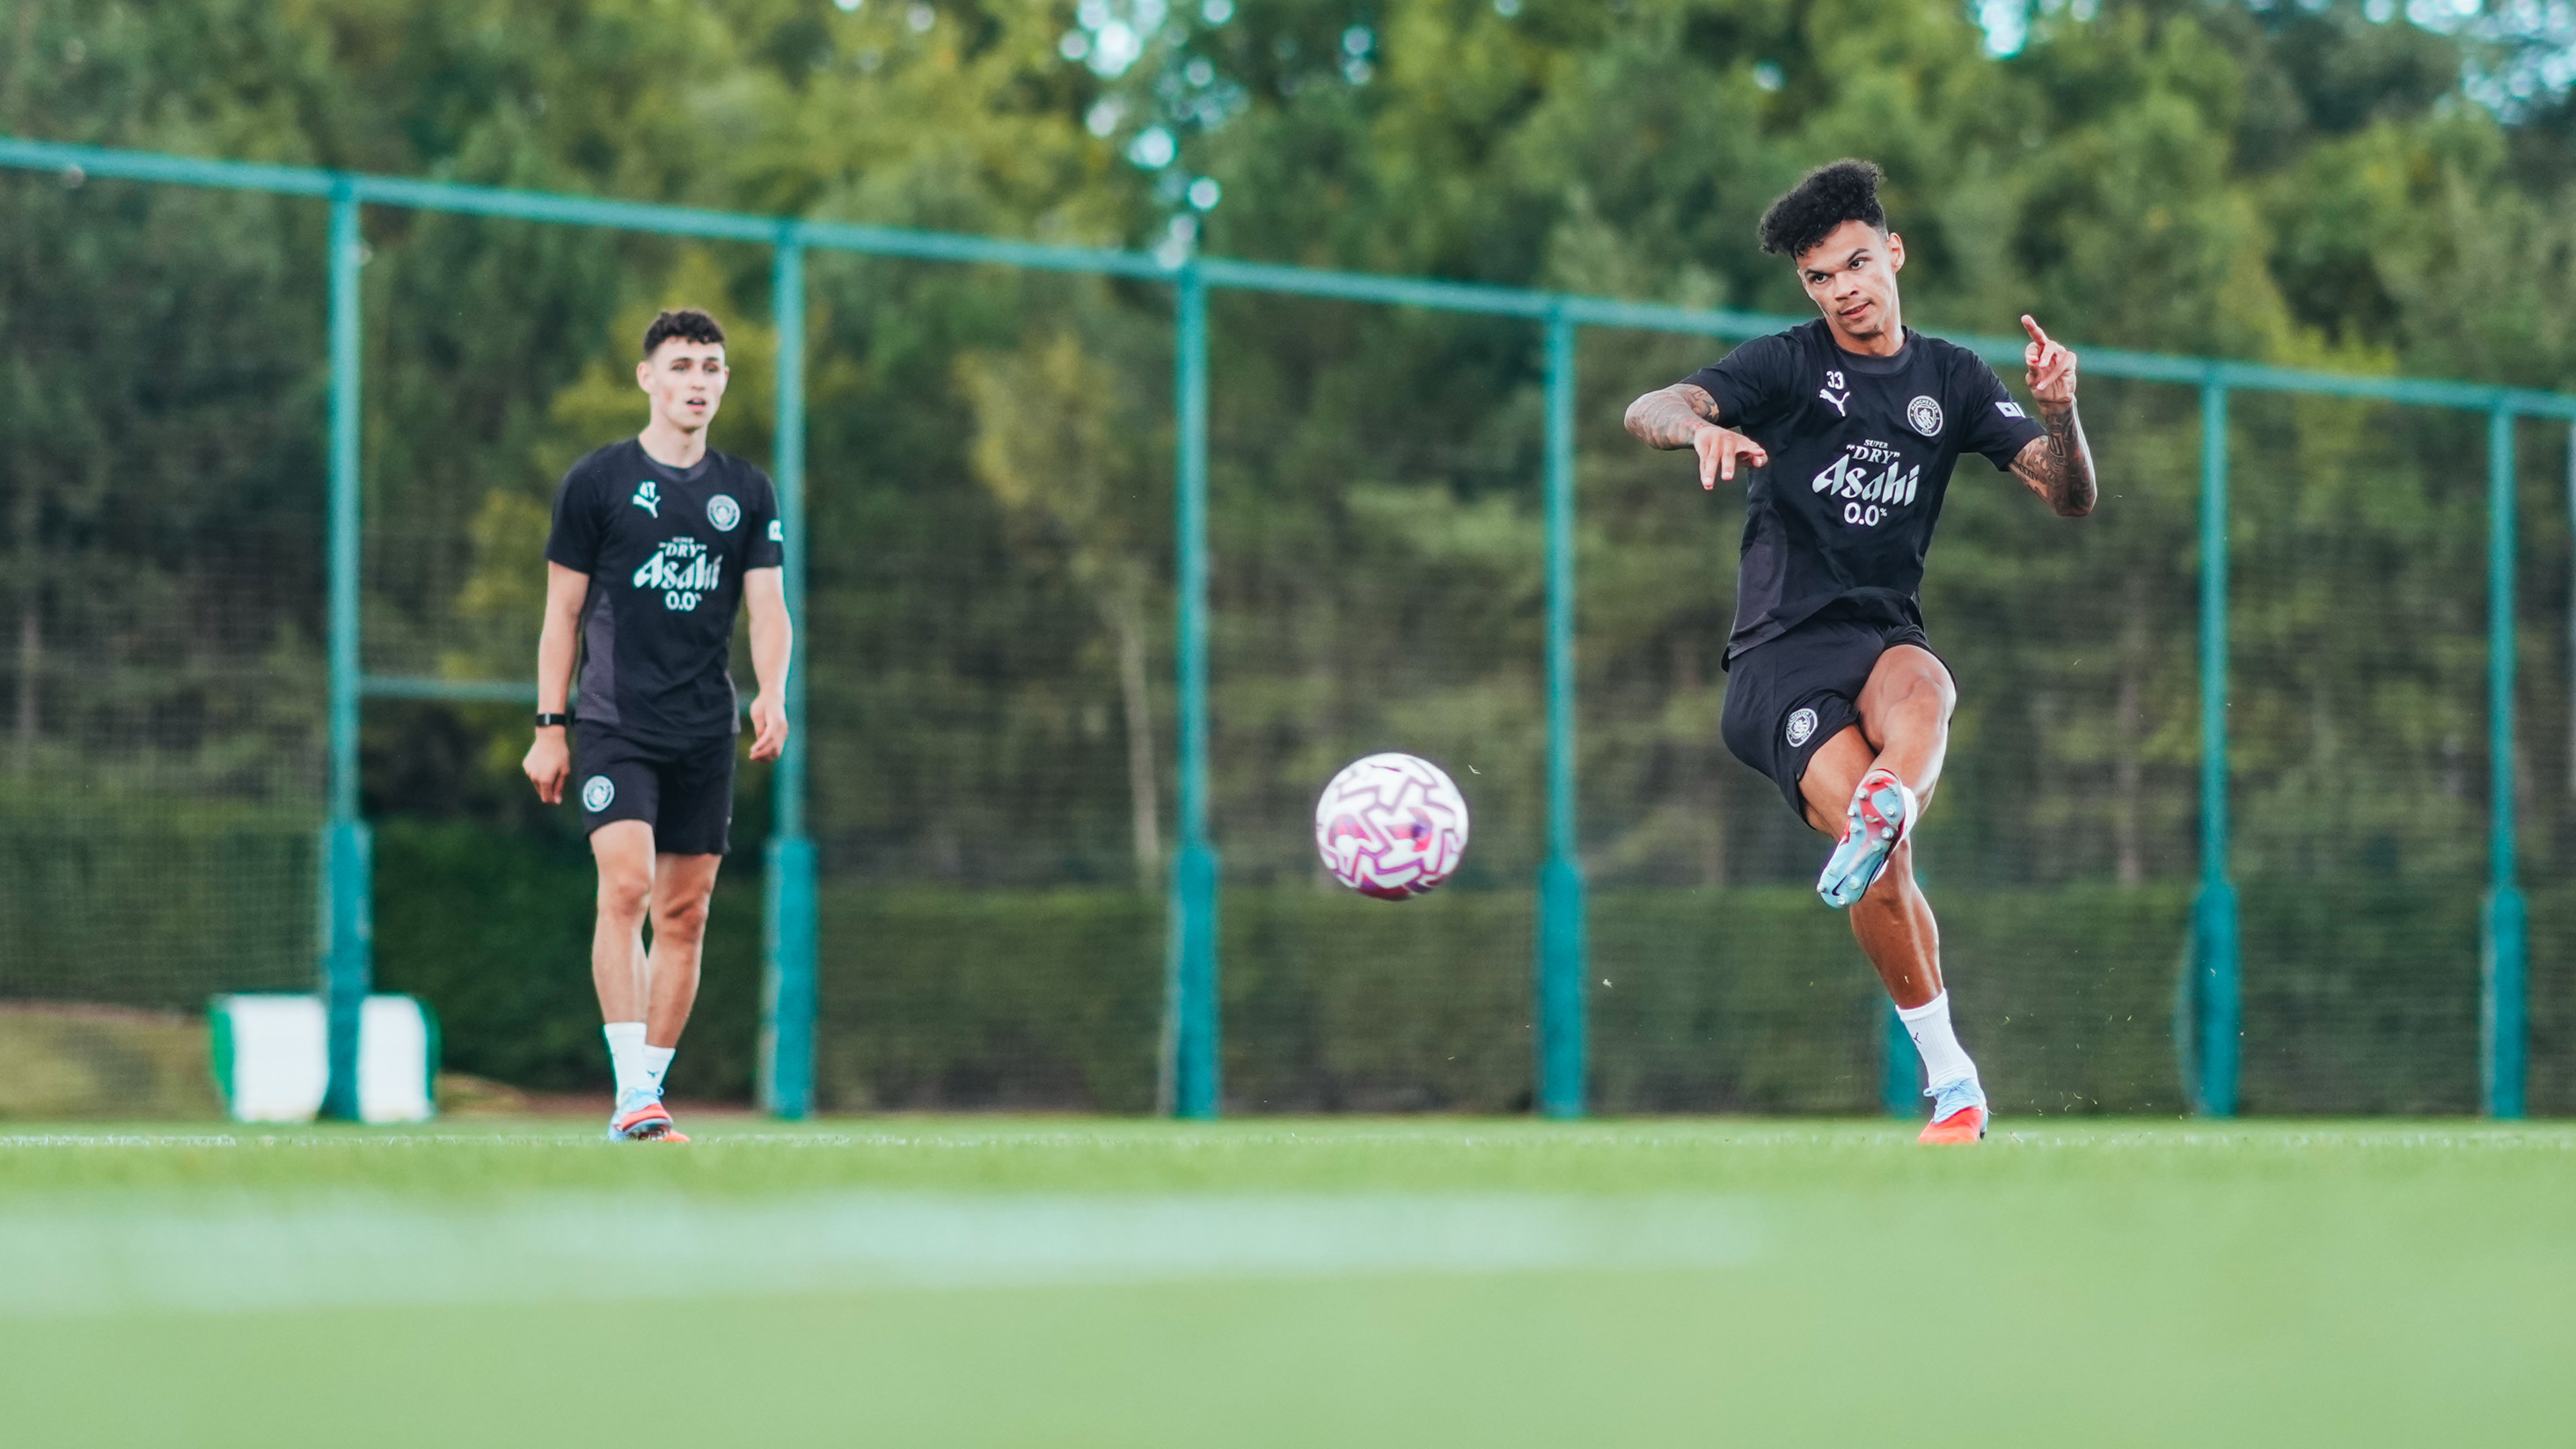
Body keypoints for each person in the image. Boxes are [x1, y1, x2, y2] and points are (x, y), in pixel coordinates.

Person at [1622, 160, 2095, 1144]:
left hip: (1879, 637)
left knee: (1925, 683)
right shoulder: (1791, 366)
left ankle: (1890, 808)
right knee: (1882, 870)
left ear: (1894, 253)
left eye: (1856, 264)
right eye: (1821, 278)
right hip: (1777, 664)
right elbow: (1654, 404)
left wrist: (2061, 410)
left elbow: (2068, 494)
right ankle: (1952, 1076)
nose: (1843, 289)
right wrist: (1692, 434)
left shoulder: (1954, 377)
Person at [522, 308, 793, 1142]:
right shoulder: (596, 483)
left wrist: (773, 691)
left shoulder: (746, 491)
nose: (698, 381)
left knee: (686, 912)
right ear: (648, 378)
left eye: (712, 366)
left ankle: (641, 1094)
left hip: (703, 728)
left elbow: (769, 608)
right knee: (627, 885)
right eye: (681, 366)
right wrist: (549, 726)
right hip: (614, 720)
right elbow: (561, 614)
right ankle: (633, 1092)